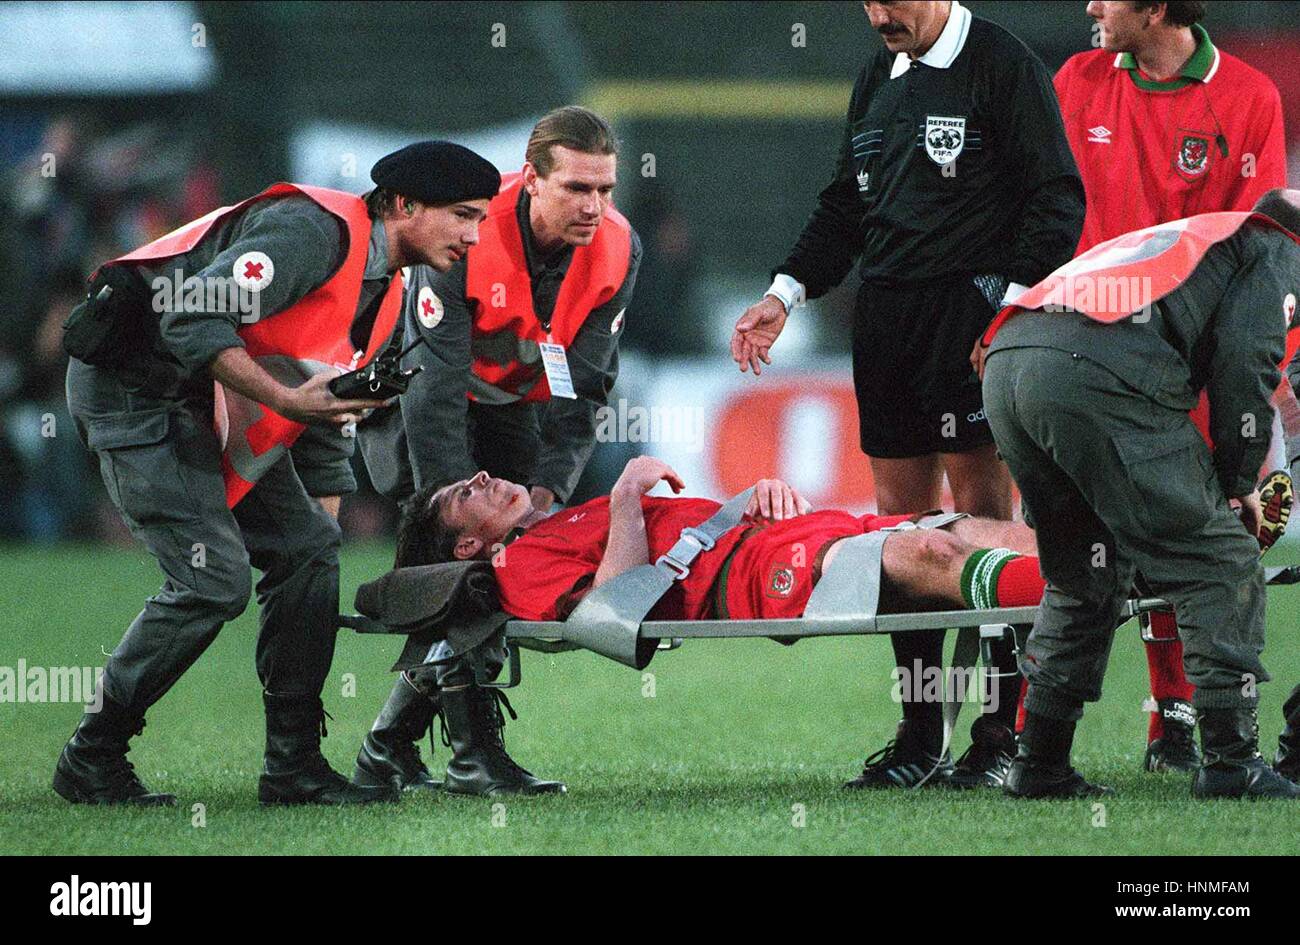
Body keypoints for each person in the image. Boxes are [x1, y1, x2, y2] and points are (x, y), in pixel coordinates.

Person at [55, 141, 500, 806]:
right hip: (131, 384)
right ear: (403, 205)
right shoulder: (312, 232)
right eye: (463, 215)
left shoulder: (387, 288)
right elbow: (190, 311)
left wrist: (313, 551)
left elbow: (325, 406)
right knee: (214, 579)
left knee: (311, 548)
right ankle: (92, 753)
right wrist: (289, 400)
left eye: (482, 219)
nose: (473, 234)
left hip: (206, 394)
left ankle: (293, 766)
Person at [728, 0, 1085, 789]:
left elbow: (1057, 196)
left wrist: (1012, 308)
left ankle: (1000, 732)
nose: (879, 13)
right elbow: (844, 208)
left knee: (990, 532)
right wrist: (784, 294)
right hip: (886, 322)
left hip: (971, 316)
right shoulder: (876, 79)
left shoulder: (1002, 65)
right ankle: (922, 733)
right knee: (900, 535)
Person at [391, 458, 1053, 795]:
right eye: (463, 495)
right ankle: (1087, 592)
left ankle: (1100, 572)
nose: (480, 477)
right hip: (750, 573)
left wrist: (760, 494)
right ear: (467, 547)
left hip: (783, 531)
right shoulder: (518, 563)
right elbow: (611, 614)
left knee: (993, 532)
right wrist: (626, 495)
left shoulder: (557, 521)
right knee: (934, 555)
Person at [352, 106, 641, 793]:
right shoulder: (469, 227)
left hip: (512, 404)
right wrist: (463, 506)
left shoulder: (620, 248)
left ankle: (390, 747)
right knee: (470, 569)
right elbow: (435, 386)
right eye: (576, 188)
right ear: (531, 180)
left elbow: (587, 390)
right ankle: (473, 752)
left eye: (605, 190)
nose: (594, 207)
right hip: (411, 402)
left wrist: (548, 493)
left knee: (502, 571)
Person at [977, 189, 1300, 799]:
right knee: (1220, 561)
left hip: (1010, 361)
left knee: (1083, 571)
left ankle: (1038, 761)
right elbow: (1245, 361)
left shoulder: (1203, 232)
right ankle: (1232, 762)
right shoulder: (1278, 251)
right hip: (1088, 371)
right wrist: (1237, 484)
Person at [1048, 0, 1289, 773]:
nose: (1090, 7)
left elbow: (1257, 248)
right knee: (1079, 550)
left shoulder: (1247, 97)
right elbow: (1042, 214)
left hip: (1192, 357)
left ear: (1155, 7)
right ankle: (1029, 742)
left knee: (1191, 542)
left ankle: (1172, 725)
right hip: (1081, 353)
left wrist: (1255, 379)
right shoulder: (1075, 81)